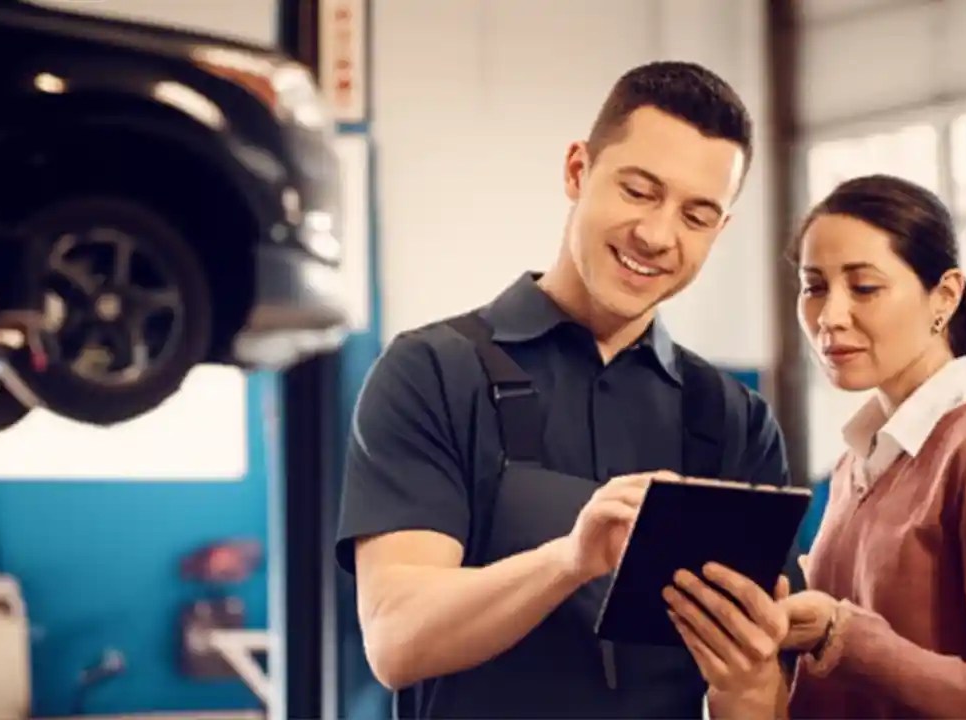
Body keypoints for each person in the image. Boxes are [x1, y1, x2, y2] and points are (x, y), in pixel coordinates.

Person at [335, 60, 798, 719]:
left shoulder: (735, 422)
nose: (658, 235)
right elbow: (395, 637)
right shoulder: (432, 373)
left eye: (697, 216)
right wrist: (570, 560)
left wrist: (748, 684)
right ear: (577, 171)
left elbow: (765, 700)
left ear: (719, 231)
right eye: (639, 191)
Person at [665, 174, 966, 719]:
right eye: (814, 287)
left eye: (864, 287)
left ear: (945, 295)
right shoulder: (858, 461)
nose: (831, 317)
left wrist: (844, 635)